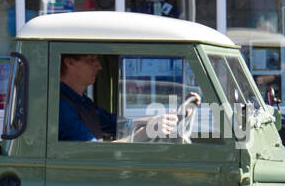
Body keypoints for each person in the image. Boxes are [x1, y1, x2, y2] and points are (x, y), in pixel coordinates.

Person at [58, 53, 191, 142]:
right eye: (91, 60)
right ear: (69, 62)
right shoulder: (60, 105)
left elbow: (117, 125)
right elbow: (92, 152)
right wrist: (146, 132)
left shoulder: (83, 102)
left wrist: (161, 119)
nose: (99, 66)